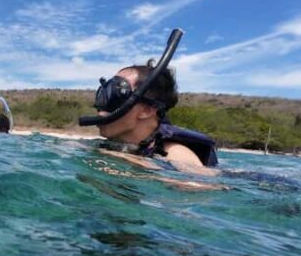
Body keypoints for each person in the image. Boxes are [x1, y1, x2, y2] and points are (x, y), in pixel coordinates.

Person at [79, 29, 218, 176]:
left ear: (146, 110)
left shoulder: (175, 154)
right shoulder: (114, 146)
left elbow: (201, 187)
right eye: (103, 96)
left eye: (115, 96)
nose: (101, 112)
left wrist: (133, 164)